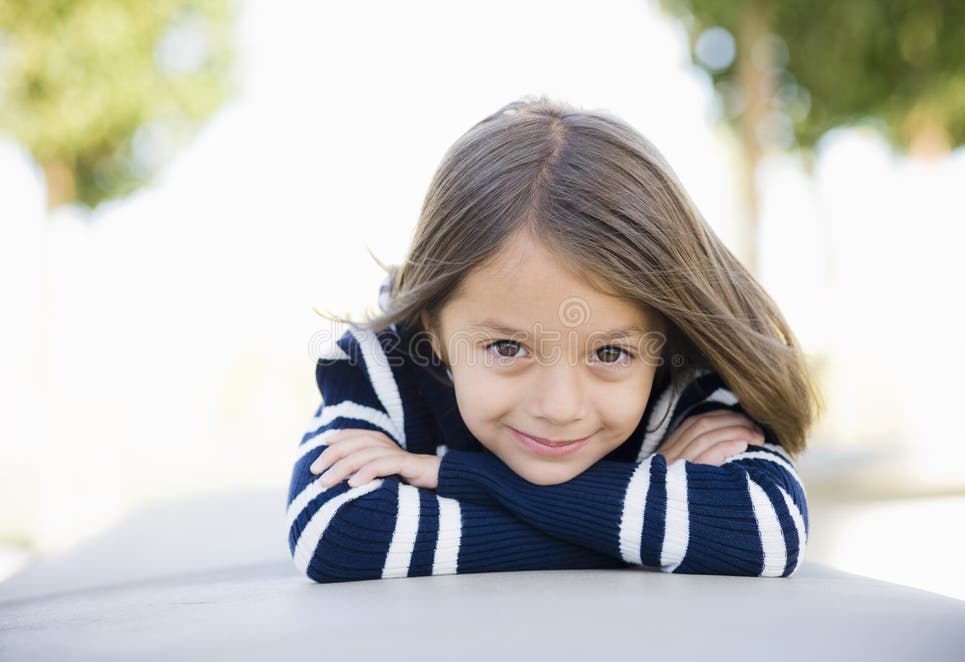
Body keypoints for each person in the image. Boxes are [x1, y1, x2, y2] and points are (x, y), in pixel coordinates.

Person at [286, 95, 823, 583]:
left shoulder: (682, 384)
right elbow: (335, 531)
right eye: (507, 348)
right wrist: (639, 531)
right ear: (434, 327)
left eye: (610, 353)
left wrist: (458, 477)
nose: (560, 408)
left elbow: (766, 528)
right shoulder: (385, 364)